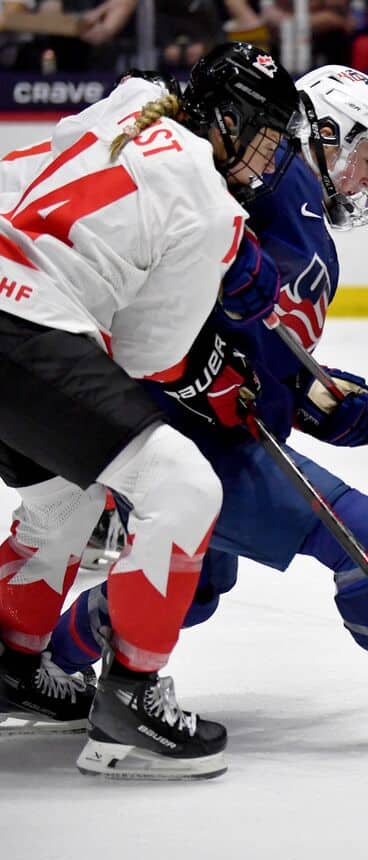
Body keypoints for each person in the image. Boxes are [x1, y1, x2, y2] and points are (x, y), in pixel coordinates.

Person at [45, 64, 368, 744]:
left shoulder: (280, 197)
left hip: (161, 415)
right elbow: (219, 336)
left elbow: (251, 353)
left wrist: (319, 398)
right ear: (325, 132)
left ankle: (49, 661)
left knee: (190, 586)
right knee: (356, 527)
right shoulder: (276, 188)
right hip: (177, 421)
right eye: (366, 159)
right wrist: (299, 397)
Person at [0, 42, 304, 778]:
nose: (266, 165)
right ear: (226, 121)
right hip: (24, 327)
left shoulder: (136, 103)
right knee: (183, 487)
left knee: (66, 499)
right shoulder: (208, 206)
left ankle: (11, 669)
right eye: (264, 141)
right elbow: (142, 359)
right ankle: (132, 705)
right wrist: (227, 273)